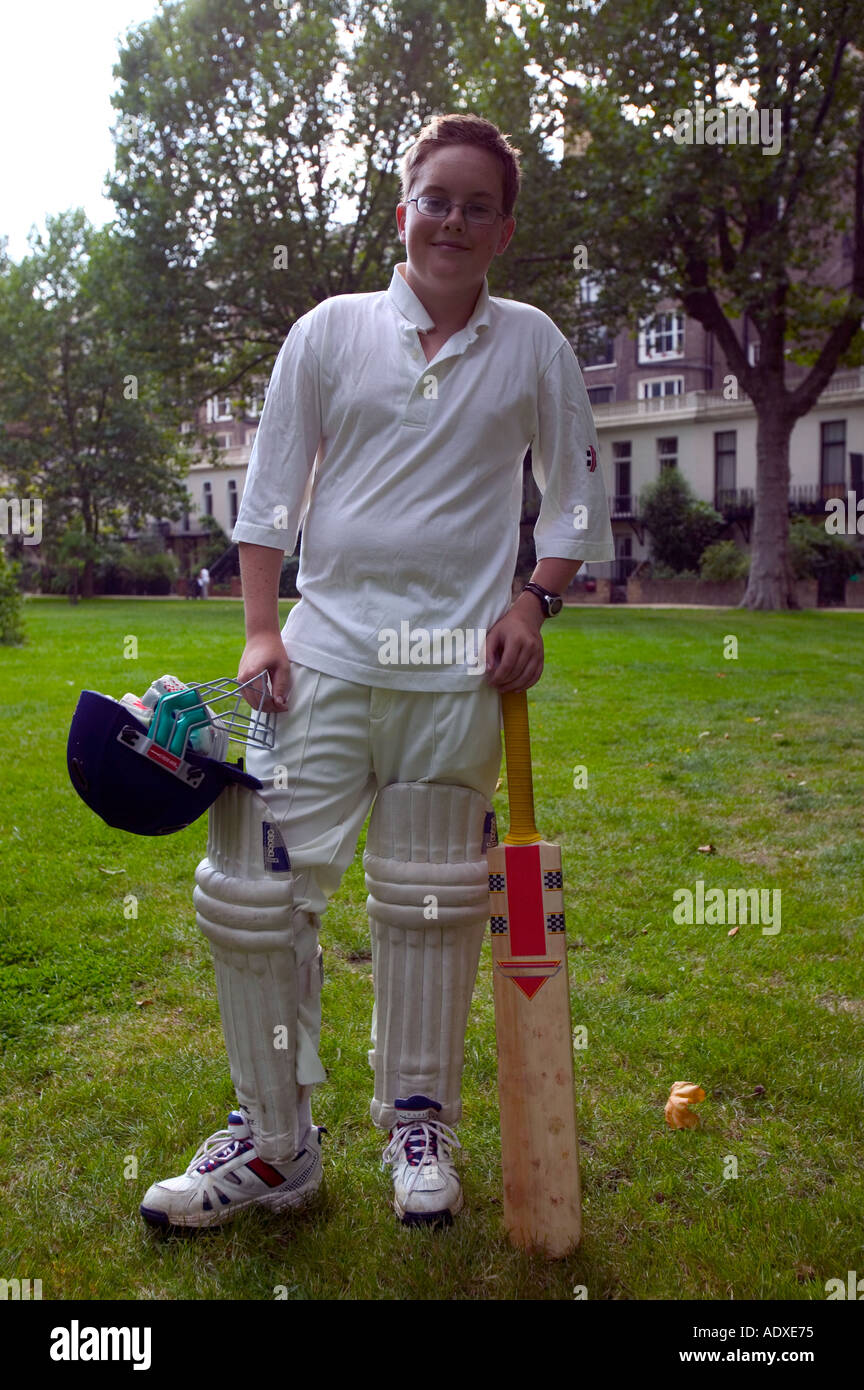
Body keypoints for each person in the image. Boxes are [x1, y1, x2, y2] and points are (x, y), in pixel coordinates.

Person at [139, 113, 613, 1232]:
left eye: (477, 205)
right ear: (402, 209)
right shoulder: (329, 332)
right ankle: (271, 1145)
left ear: (503, 231)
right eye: (434, 197)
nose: (452, 219)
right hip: (323, 661)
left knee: (432, 900)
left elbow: (579, 496)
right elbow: (265, 497)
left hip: (458, 676)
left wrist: (532, 598)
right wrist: (262, 633)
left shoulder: (534, 343)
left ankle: (418, 1123)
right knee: (251, 896)